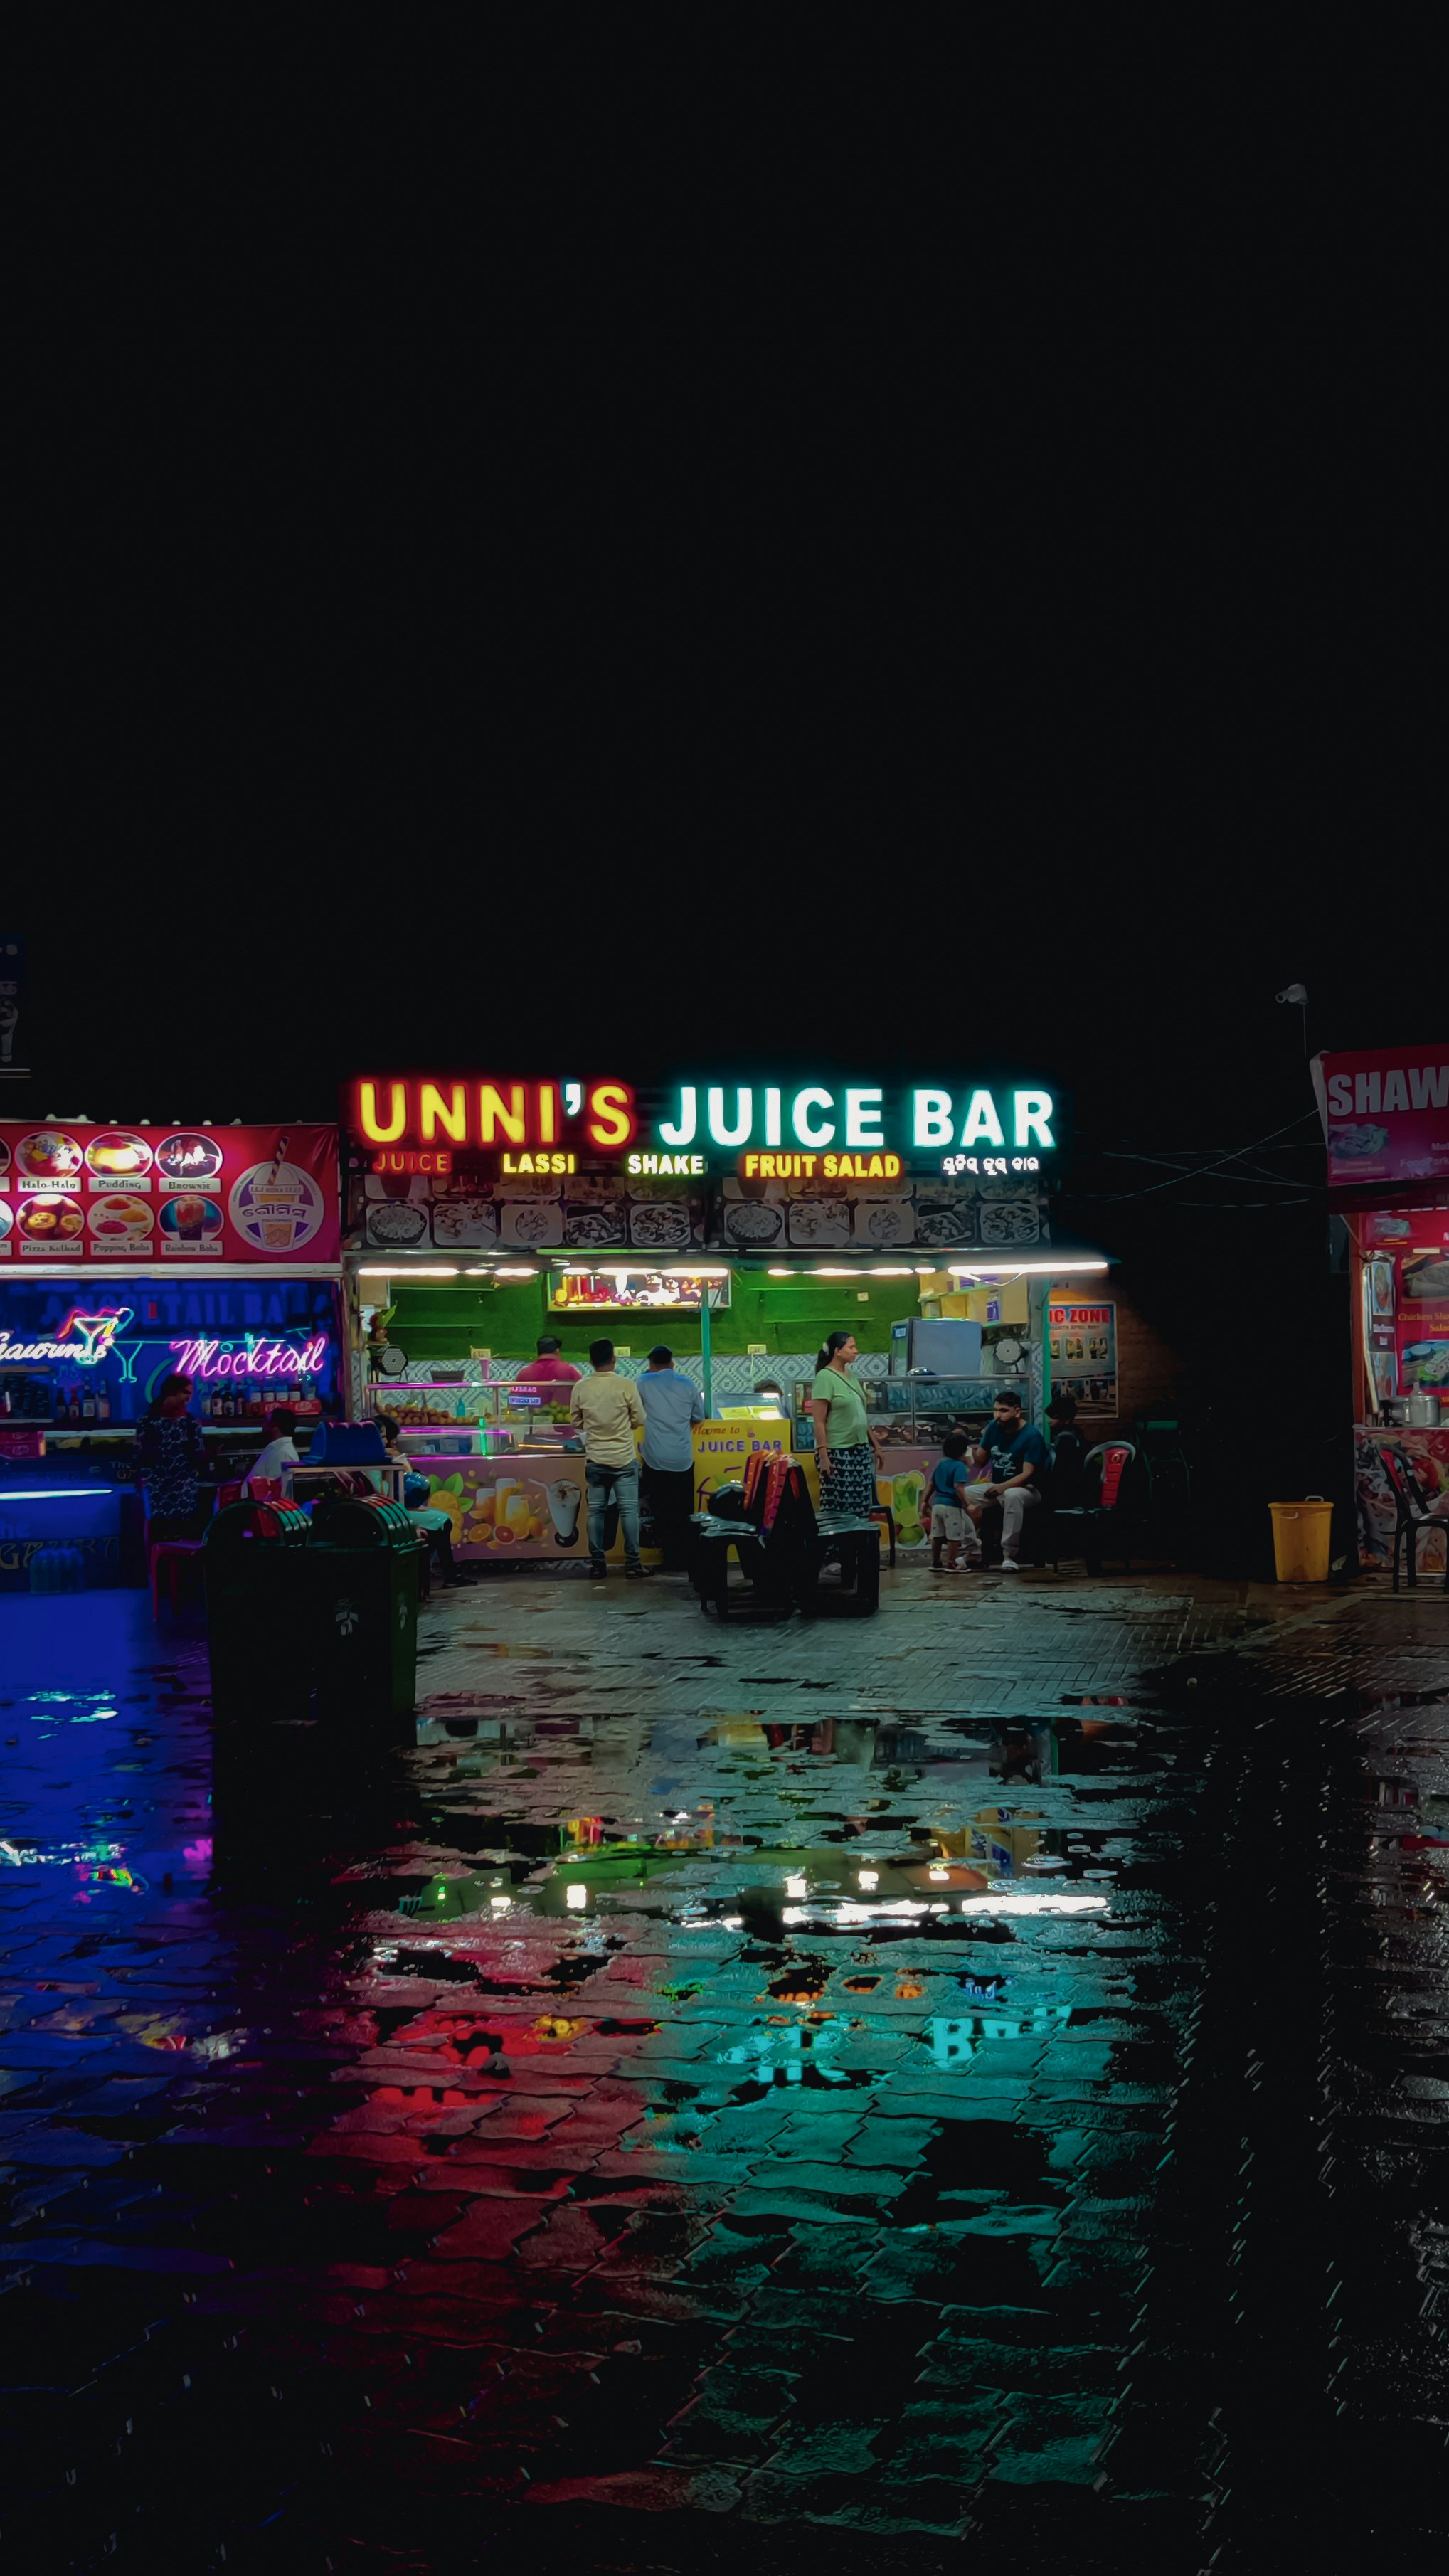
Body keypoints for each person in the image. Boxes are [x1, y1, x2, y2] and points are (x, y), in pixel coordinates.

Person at [568, 1338, 648, 1578]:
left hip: (596, 1460)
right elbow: (640, 1418)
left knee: (596, 1512)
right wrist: (626, 1427)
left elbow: (576, 1420)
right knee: (629, 1512)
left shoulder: (581, 1388)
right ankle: (633, 1565)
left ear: (591, 1361)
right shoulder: (626, 1385)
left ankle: (597, 1565)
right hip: (624, 1460)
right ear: (614, 1359)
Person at [637, 1344, 705, 1571]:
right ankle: (686, 1561)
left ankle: (669, 1560)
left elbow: (635, 1413)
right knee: (684, 1511)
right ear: (672, 1363)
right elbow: (698, 1416)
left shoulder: (643, 1382)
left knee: (661, 1512)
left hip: (656, 1459)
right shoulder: (688, 1384)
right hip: (682, 1459)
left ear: (652, 1364)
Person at [964, 1389, 1049, 1571]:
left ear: (1017, 1412)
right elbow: (980, 1462)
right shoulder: (994, 1427)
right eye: (995, 1410)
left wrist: (1002, 1487)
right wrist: (968, 1448)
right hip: (999, 1485)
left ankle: (1009, 1555)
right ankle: (972, 1551)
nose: (997, 1415)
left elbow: (1028, 1474)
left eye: (1003, 1411)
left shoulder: (1031, 1435)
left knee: (1012, 1495)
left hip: (1029, 1488)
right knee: (960, 1495)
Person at [809, 1330, 887, 1517]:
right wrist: (824, 1455)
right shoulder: (825, 1378)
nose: (856, 1351)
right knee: (841, 1508)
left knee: (861, 1505)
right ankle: (839, 1547)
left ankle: (859, 1546)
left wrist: (876, 1446)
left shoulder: (852, 1376)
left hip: (859, 1451)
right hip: (838, 1452)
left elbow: (860, 1416)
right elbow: (819, 1421)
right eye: (851, 1347)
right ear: (838, 1351)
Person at [135, 1373, 208, 1537]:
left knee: (183, 1537)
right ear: (171, 1391)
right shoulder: (146, 1421)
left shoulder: (192, 1422)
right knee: (158, 1535)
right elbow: (141, 1455)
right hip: (157, 1490)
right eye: (186, 1392)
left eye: (190, 1394)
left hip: (183, 1491)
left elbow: (197, 1454)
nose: (188, 1398)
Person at [928, 1431, 975, 1570]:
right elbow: (958, 1487)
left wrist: (924, 1502)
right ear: (964, 1451)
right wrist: (968, 1504)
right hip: (952, 1507)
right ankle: (951, 1562)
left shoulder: (940, 1463)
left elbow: (931, 1484)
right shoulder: (959, 1466)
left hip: (937, 1506)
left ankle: (936, 1562)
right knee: (954, 1538)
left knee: (937, 1536)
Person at [1046, 1391, 1090, 1507]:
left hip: (1068, 1491)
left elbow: (1061, 1472)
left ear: (1067, 1420)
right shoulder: (1076, 1433)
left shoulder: (1065, 1439)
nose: (1049, 1421)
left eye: (1054, 1418)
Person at [245, 1406, 301, 1492]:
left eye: (266, 1422)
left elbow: (276, 1492)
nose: (263, 1426)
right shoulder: (277, 1449)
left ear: (275, 1425)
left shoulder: (282, 1453)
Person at [516, 1334, 583, 1394]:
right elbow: (583, 1392)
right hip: (564, 1407)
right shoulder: (568, 1370)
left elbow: (515, 1401)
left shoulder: (524, 1374)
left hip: (533, 1407)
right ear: (557, 1351)